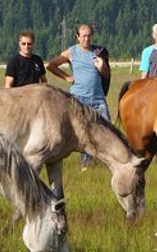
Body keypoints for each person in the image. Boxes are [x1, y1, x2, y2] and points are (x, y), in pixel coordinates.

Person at [47, 23, 111, 167]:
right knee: (83, 131)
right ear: (77, 37)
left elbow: (106, 75)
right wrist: (67, 77)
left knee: (107, 129)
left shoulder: (99, 52)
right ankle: (86, 165)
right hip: (79, 98)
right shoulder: (72, 52)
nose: (86, 39)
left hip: (98, 97)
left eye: (89, 36)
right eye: (83, 36)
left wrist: (102, 67)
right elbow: (51, 65)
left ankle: (107, 161)